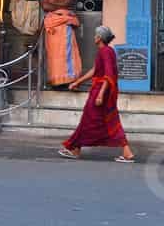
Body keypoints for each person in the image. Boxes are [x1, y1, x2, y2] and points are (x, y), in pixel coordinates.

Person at [58, 26, 136, 163]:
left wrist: (100, 95)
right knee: (107, 120)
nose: (94, 37)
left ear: (99, 38)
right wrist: (78, 81)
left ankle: (75, 148)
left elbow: (108, 75)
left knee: (89, 119)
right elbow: (95, 70)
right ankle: (126, 151)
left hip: (101, 91)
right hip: (101, 90)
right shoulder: (106, 51)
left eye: (95, 35)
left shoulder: (105, 52)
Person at [40, 0, 82, 88]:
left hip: (66, 30)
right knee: (54, 57)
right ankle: (56, 82)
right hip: (53, 32)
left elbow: (68, 2)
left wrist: (54, 6)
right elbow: (45, 6)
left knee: (68, 55)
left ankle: (69, 80)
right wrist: (61, 7)